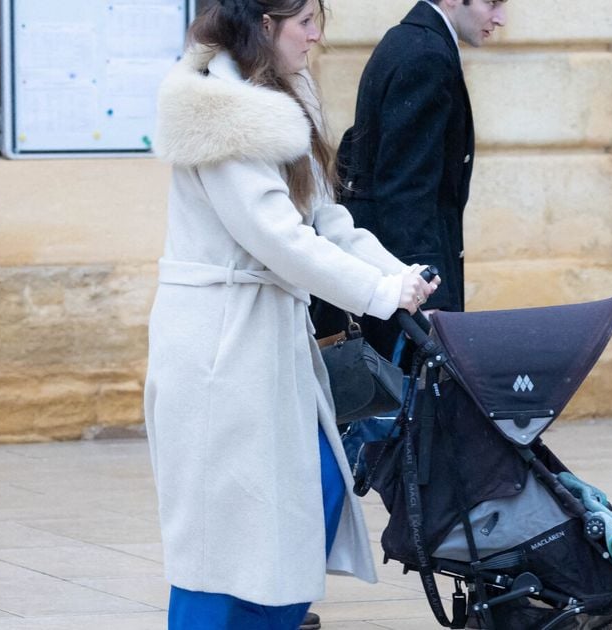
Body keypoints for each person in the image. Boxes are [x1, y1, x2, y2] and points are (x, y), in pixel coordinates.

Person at [144, 0, 439, 627]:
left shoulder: (277, 96)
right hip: (221, 345)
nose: (316, 35)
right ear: (265, 23)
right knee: (219, 535)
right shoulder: (222, 112)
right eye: (305, 20)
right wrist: (377, 293)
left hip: (264, 340)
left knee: (307, 496)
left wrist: (396, 275)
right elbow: (276, 236)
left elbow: (327, 219)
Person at [336, 0, 508, 360]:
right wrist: (429, 298)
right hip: (403, 275)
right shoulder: (426, 55)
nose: (501, 18)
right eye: (491, 3)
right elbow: (406, 186)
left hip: (390, 265)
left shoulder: (411, 42)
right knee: (410, 408)